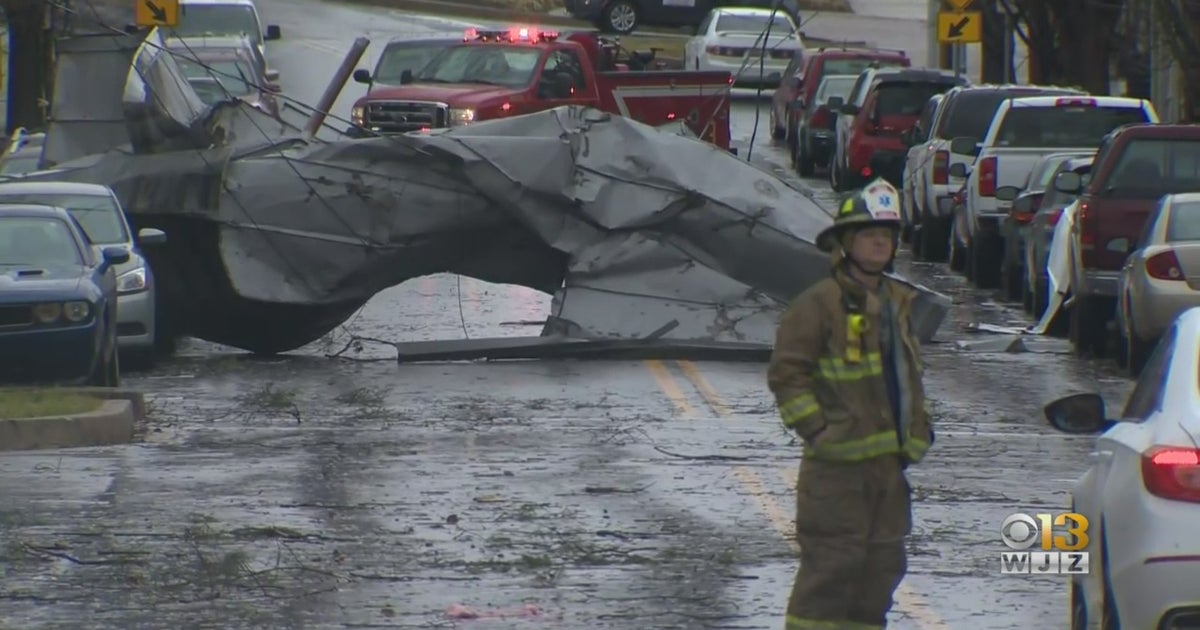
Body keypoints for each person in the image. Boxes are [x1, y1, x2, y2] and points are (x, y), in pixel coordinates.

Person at [767, 178, 935, 630]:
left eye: (887, 235)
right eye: (868, 234)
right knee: (830, 574)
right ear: (845, 243)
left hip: (888, 468)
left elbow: (905, 378)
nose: (880, 243)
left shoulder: (896, 302)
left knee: (880, 573)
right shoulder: (818, 304)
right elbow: (787, 374)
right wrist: (820, 430)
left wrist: (920, 431)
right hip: (836, 472)